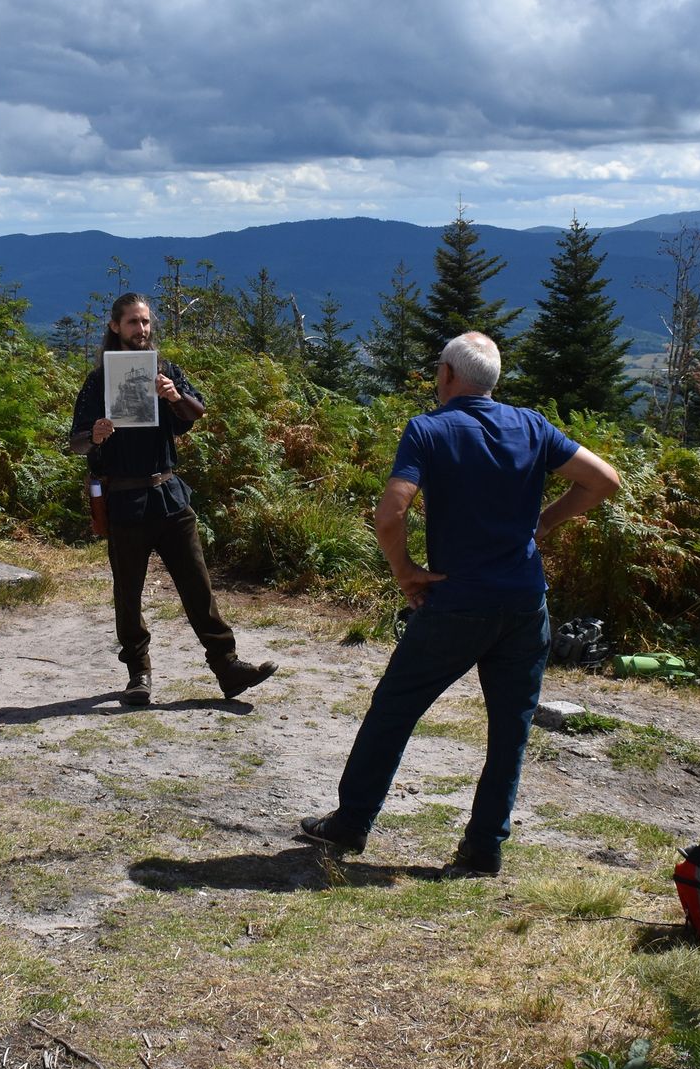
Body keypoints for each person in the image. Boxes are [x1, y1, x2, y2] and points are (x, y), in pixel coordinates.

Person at [301, 332, 621, 878]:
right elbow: (604, 480)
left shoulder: (428, 430)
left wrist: (406, 572)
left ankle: (351, 823)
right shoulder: (532, 426)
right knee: (511, 728)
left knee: (395, 709)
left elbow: (390, 514)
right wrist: (545, 522)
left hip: (457, 603)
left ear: (447, 374)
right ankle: (484, 848)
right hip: (525, 604)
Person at [68, 293, 277, 706]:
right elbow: (75, 443)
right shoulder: (99, 381)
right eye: (133, 322)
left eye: (145, 321)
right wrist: (94, 435)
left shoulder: (164, 371)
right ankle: (138, 674)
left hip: (169, 496)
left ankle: (227, 667)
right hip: (124, 500)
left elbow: (197, 413)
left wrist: (174, 397)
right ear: (115, 326)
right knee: (128, 595)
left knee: (198, 586)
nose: (141, 329)